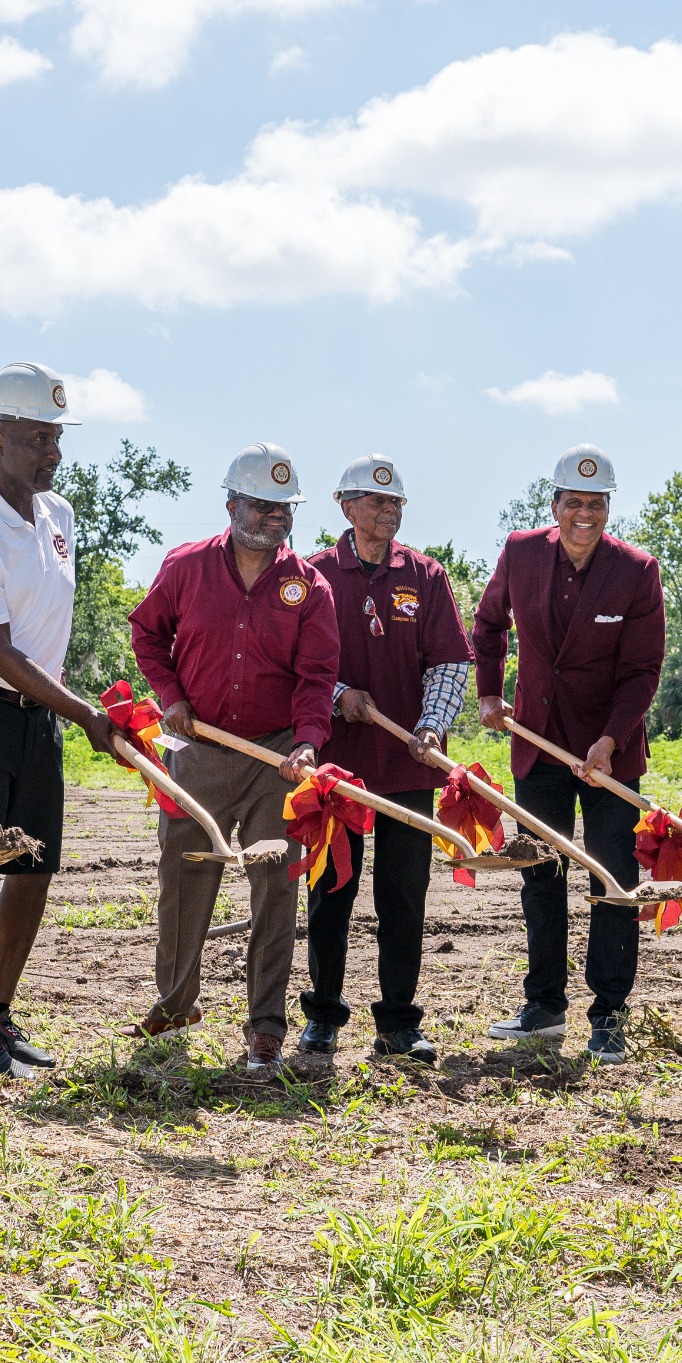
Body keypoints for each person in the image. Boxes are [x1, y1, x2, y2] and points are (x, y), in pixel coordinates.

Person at [0, 362, 123, 1079]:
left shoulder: (60, 516)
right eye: (40, 438)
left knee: (32, 869)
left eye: (57, 437)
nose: (54, 452)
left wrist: (74, 709)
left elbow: (42, 636)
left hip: (39, 716)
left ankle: (0, 1019)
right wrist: (85, 714)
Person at [129, 443, 338, 1075]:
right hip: (200, 747)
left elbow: (317, 674)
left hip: (275, 755)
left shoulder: (311, 588)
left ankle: (266, 1029)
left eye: (284, 508)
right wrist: (171, 696)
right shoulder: (186, 568)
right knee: (185, 876)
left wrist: (306, 740)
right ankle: (175, 1002)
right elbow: (147, 633)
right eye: (263, 505)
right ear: (232, 504)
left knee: (276, 885)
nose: (275, 517)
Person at [472, 444, 665, 1064]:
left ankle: (609, 1012)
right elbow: (488, 625)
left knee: (613, 879)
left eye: (596, 504)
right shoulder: (521, 552)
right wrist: (490, 693)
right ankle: (545, 1007)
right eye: (574, 503)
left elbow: (642, 669)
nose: (585, 514)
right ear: (554, 505)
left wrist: (609, 739)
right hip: (538, 743)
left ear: (609, 508)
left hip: (610, 752)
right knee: (541, 875)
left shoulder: (636, 570)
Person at [300, 455, 471, 1065]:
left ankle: (398, 1021)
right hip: (336, 771)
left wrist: (429, 726)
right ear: (346, 508)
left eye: (396, 503)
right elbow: (295, 666)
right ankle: (322, 1015)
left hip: (408, 767)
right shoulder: (312, 574)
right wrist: (338, 694)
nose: (389, 511)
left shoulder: (425, 576)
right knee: (331, 889)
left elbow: (451, 662)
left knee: (404, 895)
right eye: (377, 503)